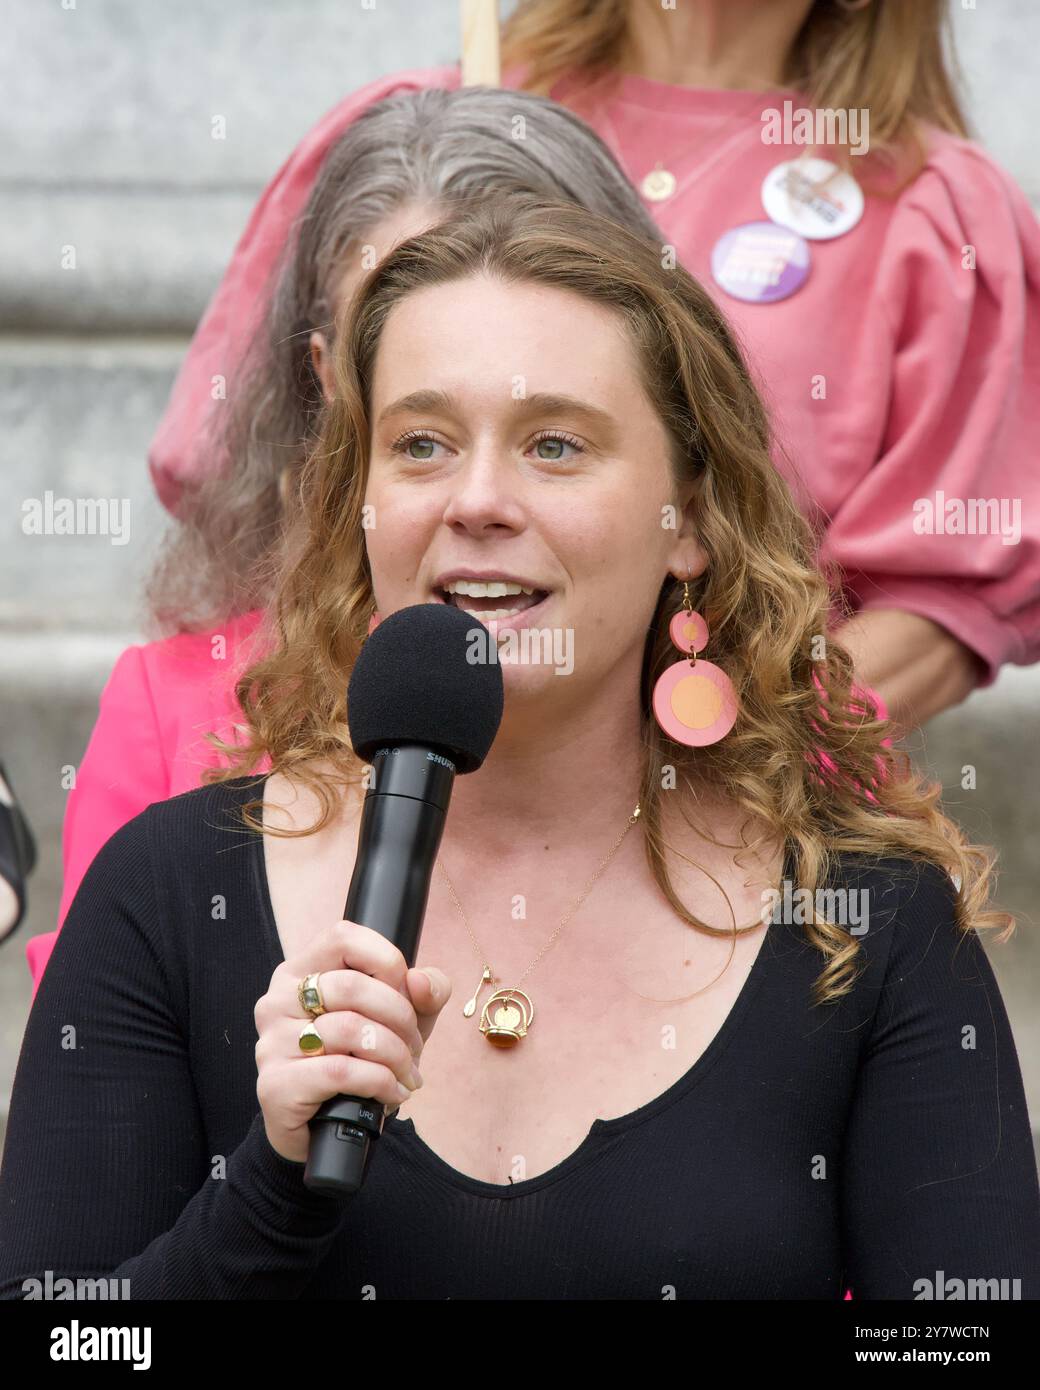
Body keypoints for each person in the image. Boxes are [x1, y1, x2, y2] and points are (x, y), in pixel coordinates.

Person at [2, 199, 1036, 1299]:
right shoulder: (167, 892)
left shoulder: (864, 923)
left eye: (554, 443)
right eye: (420, 444)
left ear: (685, 517)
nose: (478, 500)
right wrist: (271, 1186)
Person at [147, 0, 1040, 735]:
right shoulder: (424, 130)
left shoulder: (931, 206)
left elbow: (947, 599)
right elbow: (252, 474)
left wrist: (704, 768)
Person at [22, 84, 678, 994]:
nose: (480, 497)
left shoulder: (788, 728)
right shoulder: (171, 712)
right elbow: (99, 1087)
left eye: (553, 434)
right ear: (328, 375)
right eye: (395, 336)